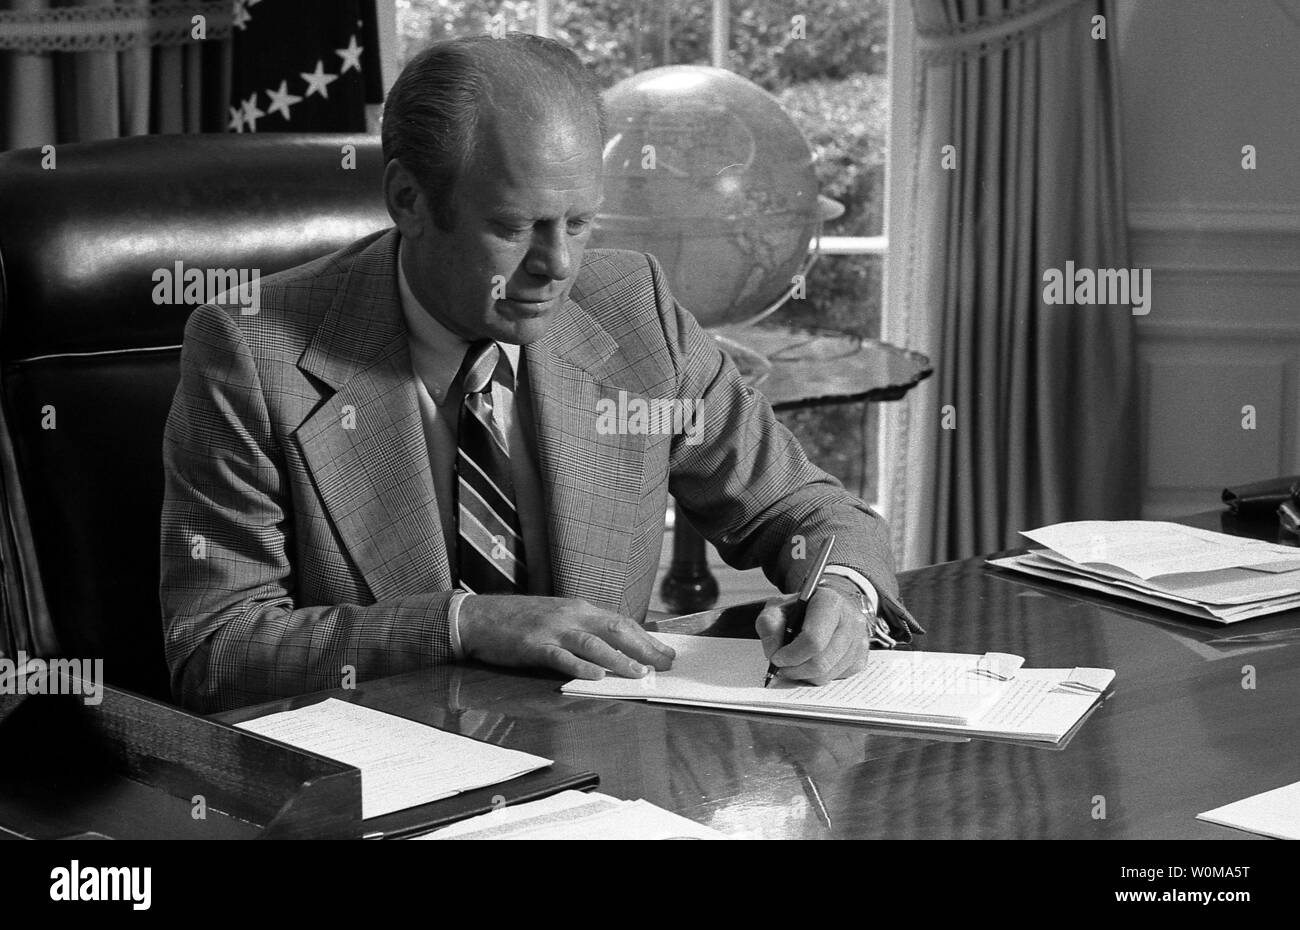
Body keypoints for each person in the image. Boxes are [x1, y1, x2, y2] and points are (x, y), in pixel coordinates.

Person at [160, 33, 919, 714]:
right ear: (408, 201)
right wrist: (463, 622)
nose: (557, 266)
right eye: (514, 228)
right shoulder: (251, 352)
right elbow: (217, 650)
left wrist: (844, 593)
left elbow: (807, 511)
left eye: (580, 223)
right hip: (384, 789)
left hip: (607, 773)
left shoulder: (632, 311)